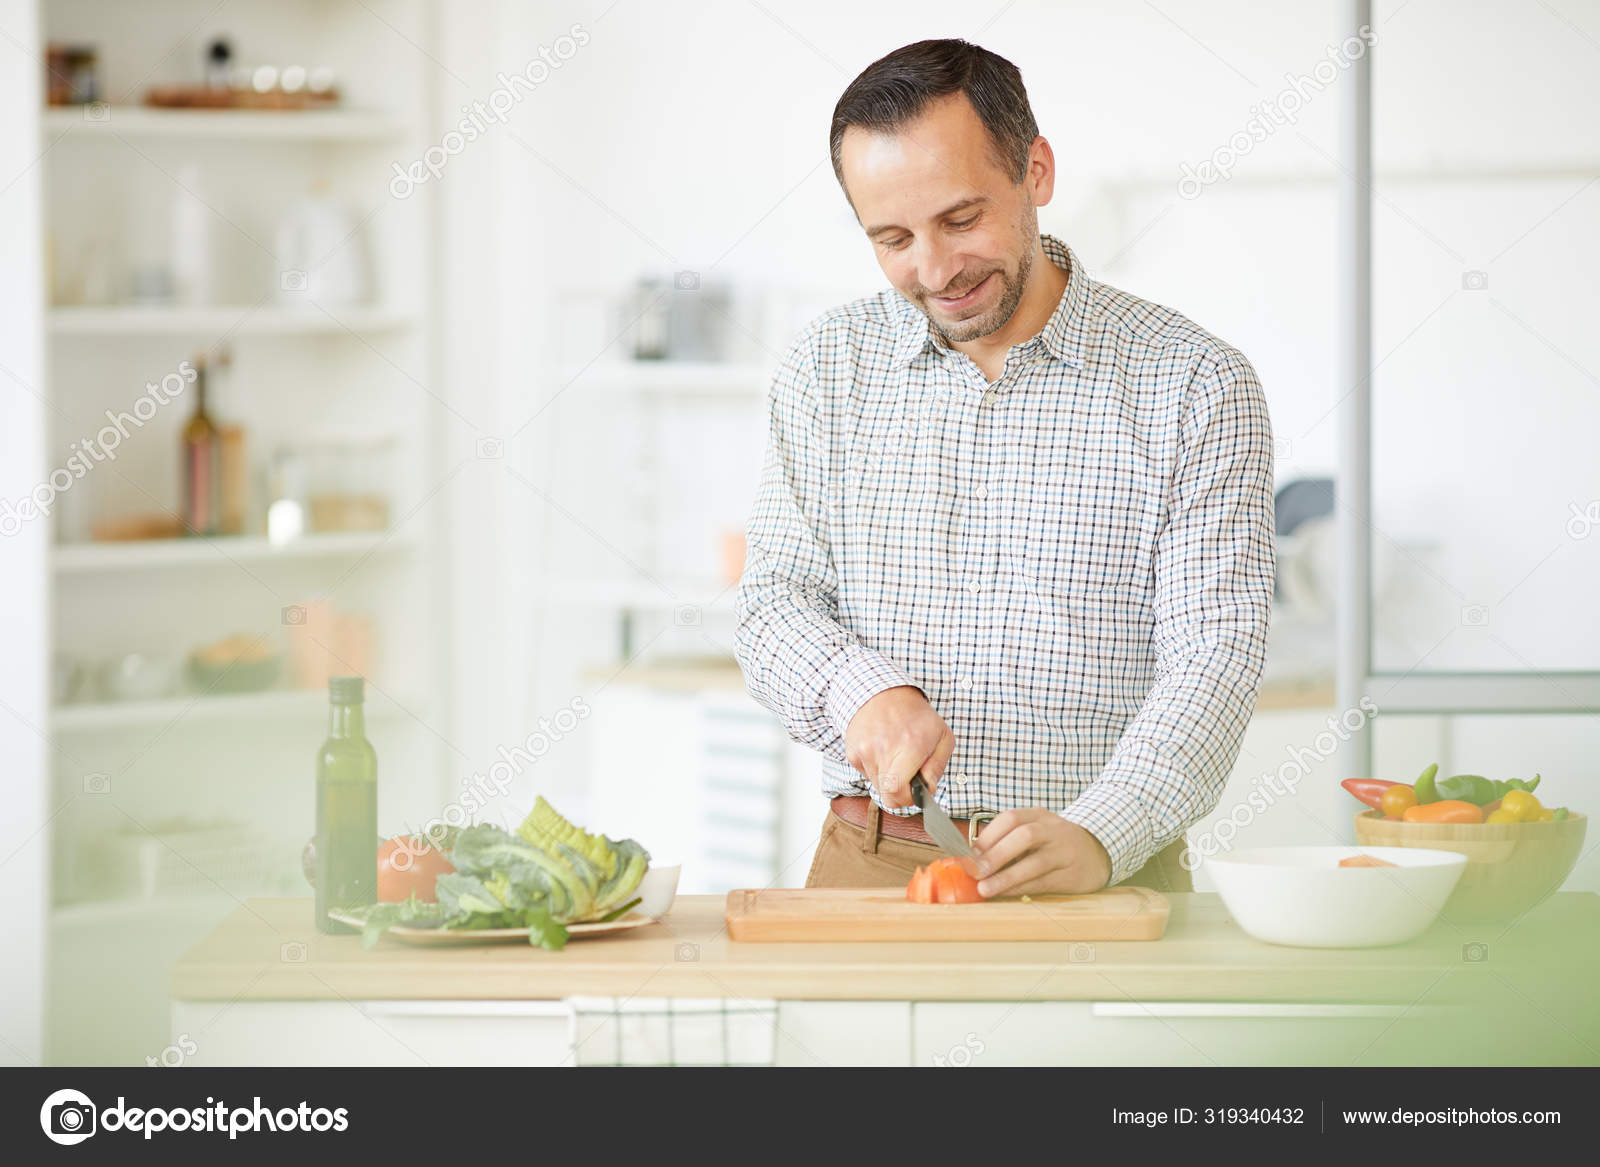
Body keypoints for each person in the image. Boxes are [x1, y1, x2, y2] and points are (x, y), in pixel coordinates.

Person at [734, 38, 1275, 897]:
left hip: (1103, 870)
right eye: (893, 238)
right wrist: (860, 689)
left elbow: (1215, 651)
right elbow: (771, 602)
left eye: (961, 219)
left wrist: (1108, 827)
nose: (936, 269)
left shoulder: (1195, 384)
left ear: (1037, 171)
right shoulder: (824, 369)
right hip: (871, 863)